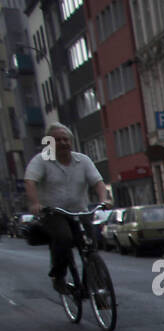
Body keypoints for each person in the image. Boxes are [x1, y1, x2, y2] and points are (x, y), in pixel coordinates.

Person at [24, 124, 110, 295]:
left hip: (79, 210)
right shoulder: (41, 161)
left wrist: (104, 199)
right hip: (54, 212)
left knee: (91, 246)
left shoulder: (83, 160)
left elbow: (98, 182)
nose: (63, 143)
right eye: (57, 140)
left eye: (66, 139)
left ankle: (94, 288)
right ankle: (59, 276)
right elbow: (30, 181)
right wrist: (35, 203)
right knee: (63, 238)